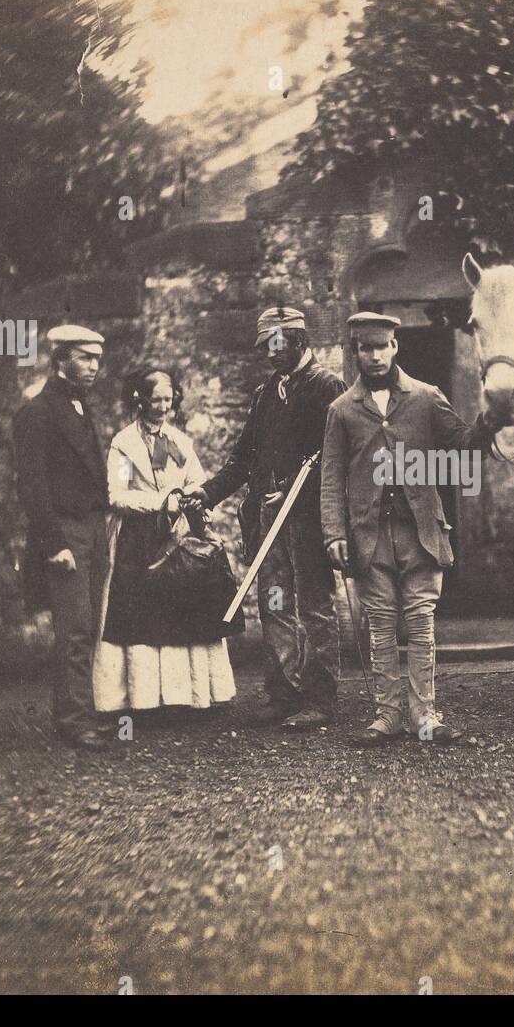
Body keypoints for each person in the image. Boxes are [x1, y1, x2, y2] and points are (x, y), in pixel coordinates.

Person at [320, 312, 498, 746]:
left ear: (396, 347)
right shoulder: (341, 410)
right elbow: (331, 476)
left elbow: (461, 443)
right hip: (369, 535)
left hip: (421, 530)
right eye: (366, 348)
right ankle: (387, 714)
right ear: (356, 352)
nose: (375, 356)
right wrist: (334, 533)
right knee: (380, 625)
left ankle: (424, 714)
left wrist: (491, 420)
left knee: (420, 622)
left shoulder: (426, 397)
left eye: (382, 347)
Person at [189, 306, 346, 730]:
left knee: (315, 606)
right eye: (266, 347)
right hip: (266, 518)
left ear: (300, 341)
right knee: (274, 604)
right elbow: (242, 461)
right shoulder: (264, 395)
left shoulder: (327, 387)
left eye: (278, 345)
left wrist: (299, 489)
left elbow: (339, 459)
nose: (270, 354)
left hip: (309, 519)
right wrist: (207, 493)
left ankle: (319, 699)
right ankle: (283, 693)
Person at [93, 367, 237, 714]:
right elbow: (117, 494)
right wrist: (161, 502)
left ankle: (187, 697)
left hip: (179, 535)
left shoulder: (181, 442)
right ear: (138, 400)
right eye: (154, 398)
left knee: (183, 611)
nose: (161, 406)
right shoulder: (124, 444)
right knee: (140, 615)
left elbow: (196, 481)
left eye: (167, 399)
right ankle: (141, 700)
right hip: (138, 540)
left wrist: (195, 505)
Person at [12, 325, 113, 752]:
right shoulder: (36, 412)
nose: (94, 366)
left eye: (96, 359)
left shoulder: (77, 404)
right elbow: (32, 486)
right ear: (61, 359)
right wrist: (55, 543)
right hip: (66, 532)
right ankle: (75, 720)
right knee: (73, 629)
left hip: (92, 527)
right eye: (85, 358)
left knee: (88, 626)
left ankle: (76, 712)